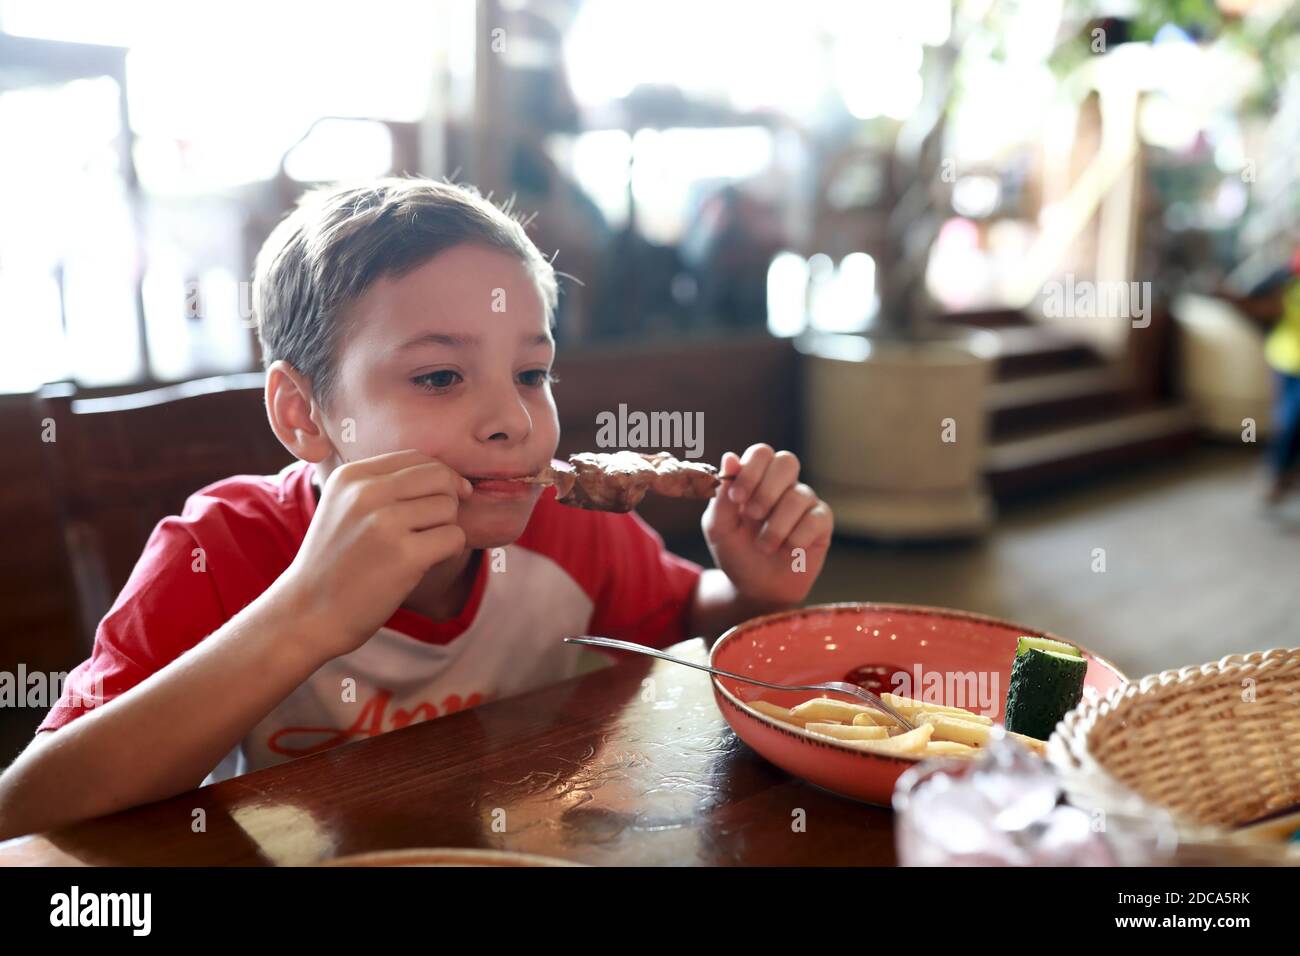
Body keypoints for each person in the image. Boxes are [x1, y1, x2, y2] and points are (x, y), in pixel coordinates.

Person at [0, 178, 833, 840]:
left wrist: (753, 591)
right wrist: (307, 613)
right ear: (304, 413)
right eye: (439, 377)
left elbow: (685, 618)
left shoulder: (565, 528)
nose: (512, 419)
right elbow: (30, 808)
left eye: (532, 374)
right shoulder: (219, 549)